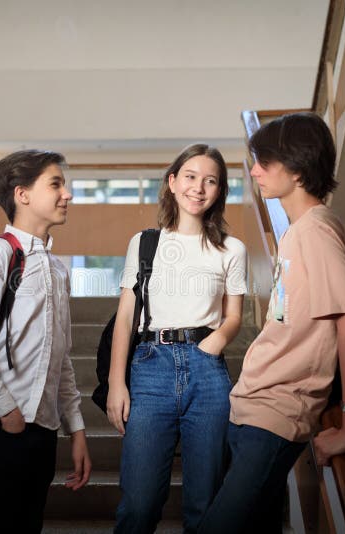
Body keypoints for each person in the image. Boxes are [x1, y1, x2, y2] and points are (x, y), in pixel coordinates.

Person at [198, 113, 345, 533]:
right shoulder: (298, 232)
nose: (254, 171)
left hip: (276, 416)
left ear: (296, 168)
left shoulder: (316, 230)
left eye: (265, 162)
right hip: (252, 407)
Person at [0, 150, 91, 533]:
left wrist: (75, 430)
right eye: (55, 184)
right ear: (22, 194)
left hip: (42, 432)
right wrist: (6, 412)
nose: (67, 194)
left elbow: (61, 358)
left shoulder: (58, 270)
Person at [107, 144, 248, 533]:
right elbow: (125, 318)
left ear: (219, 191)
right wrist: (117, 384)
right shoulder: (145, 243)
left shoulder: (231, 249)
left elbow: (234, 316)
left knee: (205, 504)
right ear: (172, 182)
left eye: (211, 181)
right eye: (190, 177)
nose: (198, 188)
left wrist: (215, 342)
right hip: (151, 368)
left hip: (208, 372)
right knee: (139, 503)